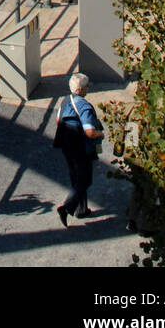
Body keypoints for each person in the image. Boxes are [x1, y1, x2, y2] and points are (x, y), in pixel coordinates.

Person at [54, 72, 104, 226]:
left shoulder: (64, 101)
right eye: (87, 87)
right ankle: (67, 207)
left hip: (66, 145)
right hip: (81, 148)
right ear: (81, 90)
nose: (88, 89)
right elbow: (89, 131)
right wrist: (99, 133)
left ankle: (81, 210)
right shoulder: (84, 106)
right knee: (85, 180)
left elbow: (58, 120)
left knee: (75, 177)